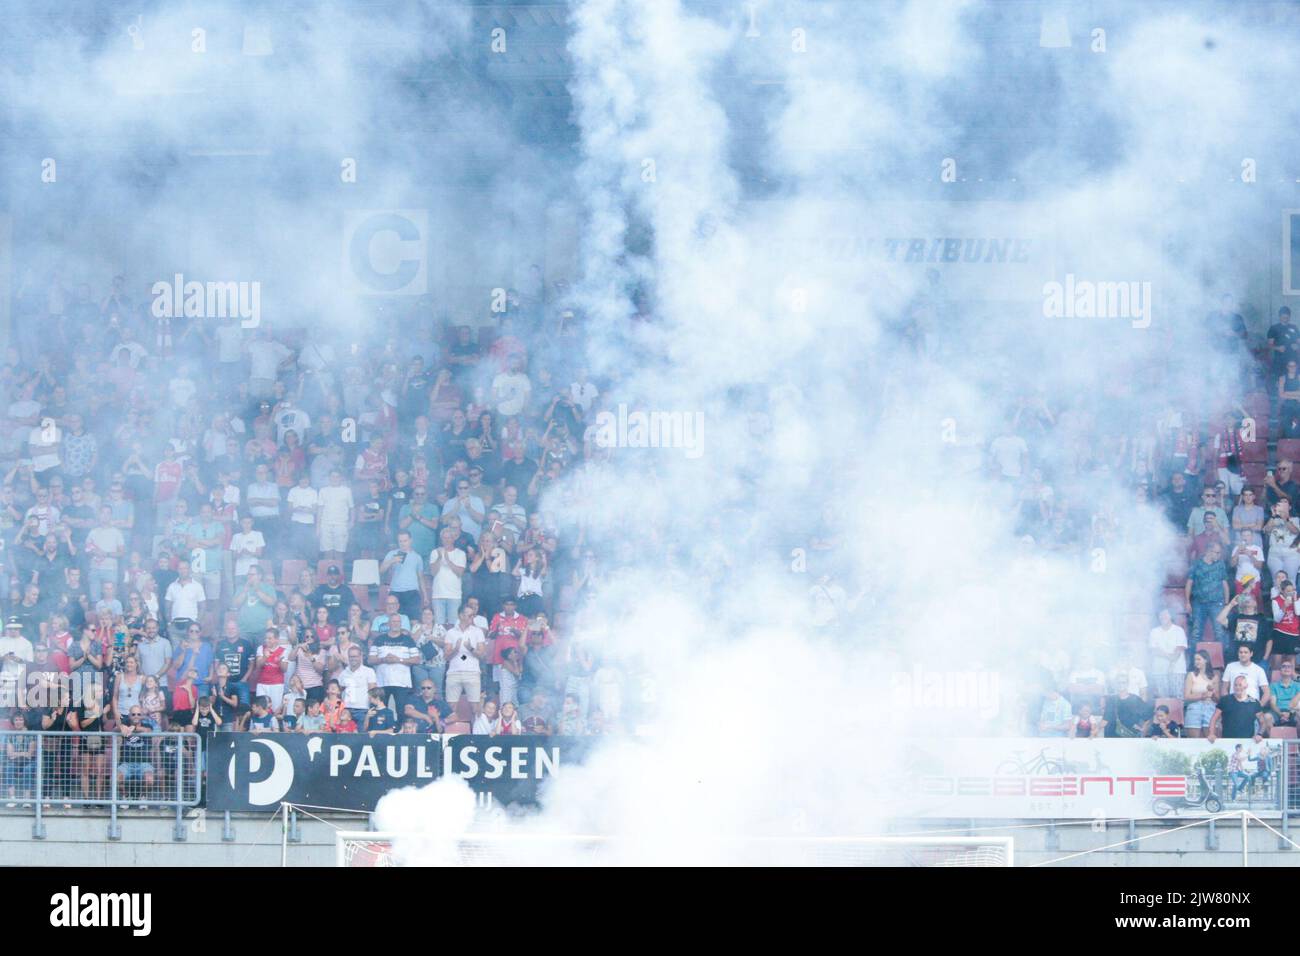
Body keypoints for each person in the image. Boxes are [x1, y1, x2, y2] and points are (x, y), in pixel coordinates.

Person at [443, 603, 486, 713]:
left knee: (475, 707)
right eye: (469, 615)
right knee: (450, 707)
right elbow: (446, 657)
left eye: (473, 615)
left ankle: (476, 730)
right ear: (461, 616)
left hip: (472, 673)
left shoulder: (478, 631)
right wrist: (456, 649)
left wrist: (470, 648)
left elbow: (482, 655)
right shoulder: (450, 632)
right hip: (454, 673)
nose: (472, 618)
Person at [1185, 542, 1228, 648]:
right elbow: (1189, 583)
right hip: (1199, 603)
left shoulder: (1220, 564)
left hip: (1217, 603)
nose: (1219, 555)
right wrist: (1187, 602)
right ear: (1209, 551)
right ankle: (1195, 661)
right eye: (1217, 553)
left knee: (1220, 633)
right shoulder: (1196, 564)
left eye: (1219, 553)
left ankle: (1221, 662)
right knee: (1196, 633)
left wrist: (1226, 603)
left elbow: (1225, 584)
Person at [1211, 676, 1264, 742]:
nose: (1237, 687)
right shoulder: (1225, 700)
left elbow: (1262, 722)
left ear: (1246, 686)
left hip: (1248, 742)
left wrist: (1259, 734)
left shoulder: (1254, 702)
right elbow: (1214, 718)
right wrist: (1211, 734)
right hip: (1227, 741)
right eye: (1235, 685)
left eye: (1240, 685)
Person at [1148, 609, 1188, 697]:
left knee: (1177, 698)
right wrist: (1169, 656)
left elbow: (1179, 650)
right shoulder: (1154, 632)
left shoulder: (1179, 630)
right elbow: (1154, 650)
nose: (1163, 616)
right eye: (1161, 614)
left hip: (1177, 670)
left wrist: (1169, 658)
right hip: (1159, 670)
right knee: (1163, 699)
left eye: (1166, 614)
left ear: (1171, 616)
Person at [1101, 674, 1152, 738]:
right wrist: (1095, 731)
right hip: (1113, 737)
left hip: (1130, 737)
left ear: (1127, 684)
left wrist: (1143, 731)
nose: (1121, 684)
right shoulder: (1111, 699)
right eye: (1118, 682)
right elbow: (1105, 720)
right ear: (1115, 684)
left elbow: (1148, 717)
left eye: (1123, 682)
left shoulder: (1135, 699)